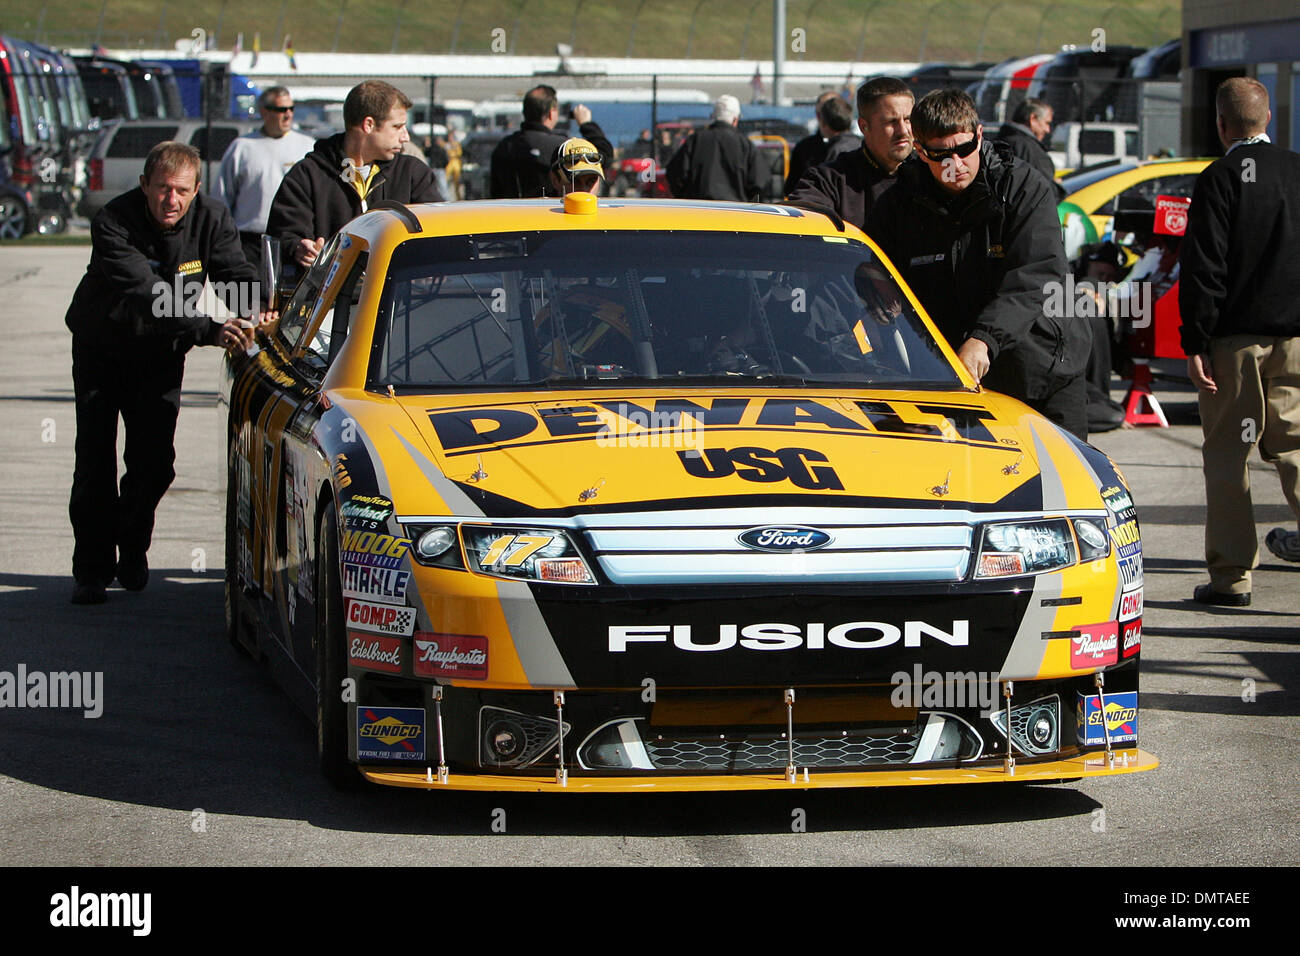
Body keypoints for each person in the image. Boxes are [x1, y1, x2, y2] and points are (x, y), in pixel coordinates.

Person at [65, 142, 269, 605]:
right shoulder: (112, 221)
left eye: (180, 190)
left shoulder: (211, 219)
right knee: (95, 459)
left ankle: (132, 546)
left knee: (155, 464)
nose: (170, 200)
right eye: (161, 189)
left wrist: (255, 309)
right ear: (144, 185)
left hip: (160, 352)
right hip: (103, 347)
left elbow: (234, 274)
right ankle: (91, 571)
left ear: (196, 190)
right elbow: (149, 293)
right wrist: (210, 329)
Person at [867, 89, 1089, 439]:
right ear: (921, 151)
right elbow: (874, 269)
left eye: (964, 149)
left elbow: (1035, 277)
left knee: (1060, 486)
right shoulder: (900, 203)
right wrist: (875, 294)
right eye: (941, 154)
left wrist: (983, 339)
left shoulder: (1022, 188)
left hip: (1042, 367)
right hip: (953, 382)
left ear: (980, 135)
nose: (955, 164)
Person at [1178, 77, 1300, 607]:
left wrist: (1196, 340)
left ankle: (1231, 578)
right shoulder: (1298, 172)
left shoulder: (1220, 178)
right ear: (1268, 118)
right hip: (1294, 337)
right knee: (1296, 447)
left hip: (1235, 343)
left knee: (1230, 455)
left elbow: (1204, 268)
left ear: (1222, 125)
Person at [267, 80, 440, 273]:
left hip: (397, 299)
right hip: (327, 300)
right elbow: (281, 236)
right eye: (397, 127)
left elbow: (436, 232)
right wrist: (299, 248)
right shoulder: (308, 175)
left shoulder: (413, 174)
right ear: (369, 125)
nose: (405, 137)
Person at [786, 76, 917, 229]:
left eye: (908, 119)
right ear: (864, 126)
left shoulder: (930, 173)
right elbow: (799, 225)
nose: (903, 131)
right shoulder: (830, 182)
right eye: (891, 122)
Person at [213, 86, 315, 268]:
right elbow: (222, 197)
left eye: (291, 108)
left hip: (292, 243)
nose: (288, 114)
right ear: (264, 112)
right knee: (247, 295)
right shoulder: (242, 147)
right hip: (249, 242)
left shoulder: (307, 147)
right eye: (281, 109)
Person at [489, 85, 613, 198]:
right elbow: (605, 156)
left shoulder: (505, 147)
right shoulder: (561, 149)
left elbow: (495, 193)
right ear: (551, 113)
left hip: (509, 217)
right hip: (551, 216)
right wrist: (586, 124)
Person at [665, 94, 763, 202]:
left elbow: (674, 173)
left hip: (699, 210)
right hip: (735, 212)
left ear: (713, 116)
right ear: (735, 120)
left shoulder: (695, 140)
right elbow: (759, 182)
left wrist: (685, 197)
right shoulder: (745, 145)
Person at [994, 97, 1063, 199]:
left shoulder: (999, 142)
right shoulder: (1031, 150)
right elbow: (1044, 193)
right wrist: (1056, 187)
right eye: (1046, 123)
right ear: (1033, 119)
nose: (1047, 130)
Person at [783, 91, 839, 196]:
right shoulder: (804, 148)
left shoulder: (857, 147)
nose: (823, 120)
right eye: (820, 115)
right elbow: (791, 188)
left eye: (828, 115)